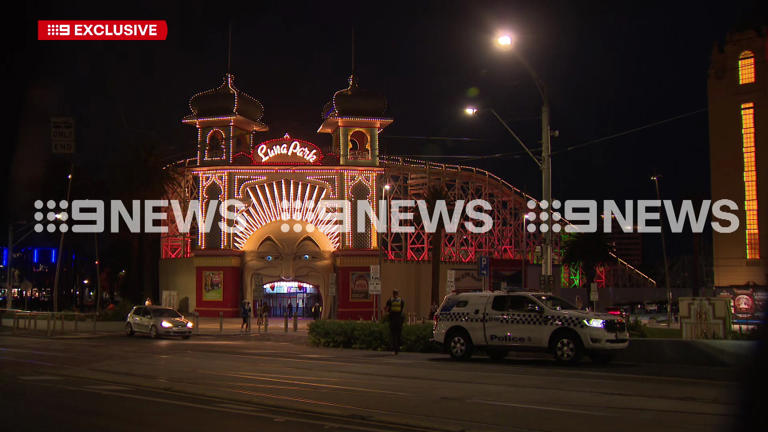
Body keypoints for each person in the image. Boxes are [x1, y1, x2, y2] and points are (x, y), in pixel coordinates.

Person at [385, 289, 405, 355]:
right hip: (399, 319)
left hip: (393, 319)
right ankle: (398, 347)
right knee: (399, 334)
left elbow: (387, 309)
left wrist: (387, 311)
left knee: (394, 335)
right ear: (398, 294)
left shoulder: (390, 300)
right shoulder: (401, 300)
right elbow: (402, 309)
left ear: (393, 293)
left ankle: (395, 349)